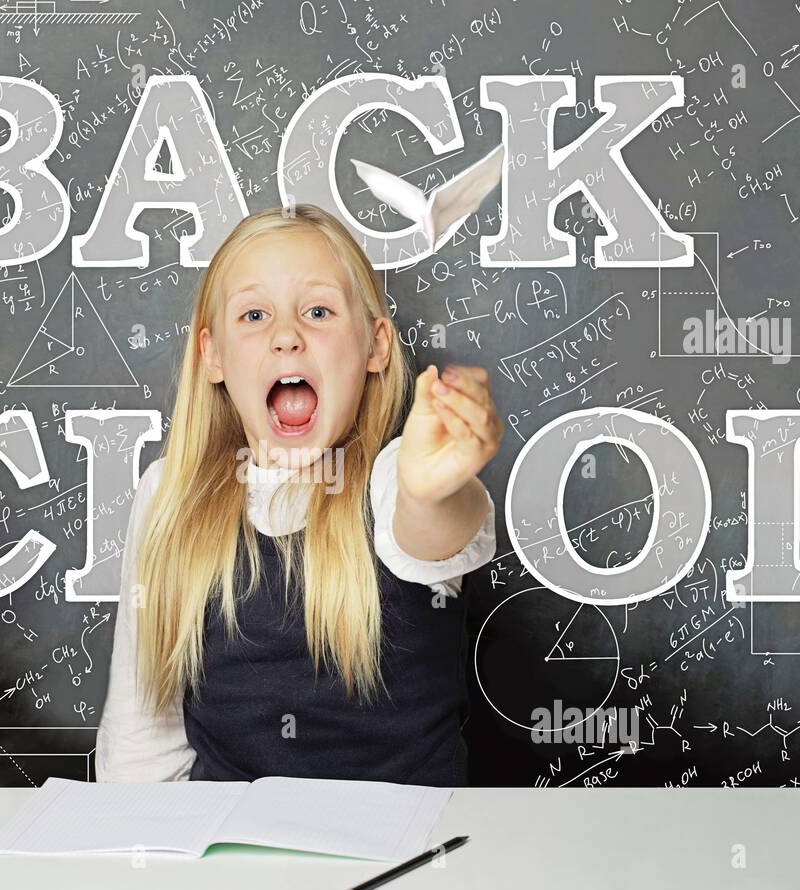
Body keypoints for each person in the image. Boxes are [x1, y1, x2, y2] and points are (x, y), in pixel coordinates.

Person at [96, 204, 502, 786]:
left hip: (404, 860)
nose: (286, 336)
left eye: (318, 311)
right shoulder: (169, 497)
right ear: (212, 356)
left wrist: (430, 489)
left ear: (376, 346)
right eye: (255, 314)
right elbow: (142, 742)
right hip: (233, 859)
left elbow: (434, 527)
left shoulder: (394, 478)